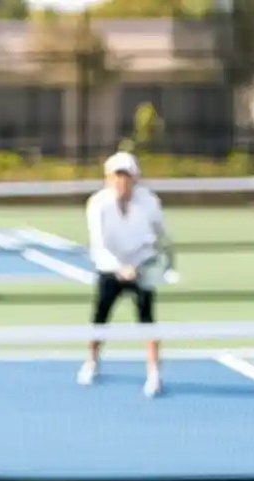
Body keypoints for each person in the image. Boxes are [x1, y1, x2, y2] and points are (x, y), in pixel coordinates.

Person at [79, 151, 172, 398]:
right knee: (100, 318)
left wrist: (147, 264)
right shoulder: (97, 203)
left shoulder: (149, 202)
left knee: (147, 320)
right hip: (110, 268)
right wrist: (119, 268)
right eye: (117, 176)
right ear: (108, 178)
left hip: (140, 265)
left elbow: (158, 234)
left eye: (126, 176)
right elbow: (98, 242)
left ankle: (154, 374)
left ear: (135, 179)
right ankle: (92, 362)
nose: (121, 181)